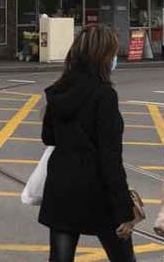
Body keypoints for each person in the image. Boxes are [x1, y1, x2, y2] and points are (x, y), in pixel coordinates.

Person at [39, 25, 136, 262]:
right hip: (98, 192)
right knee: (122, 257)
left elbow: (48, 137)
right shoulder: (104, 95)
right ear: (102, 57)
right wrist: (124, 209)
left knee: (60, 258)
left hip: (61, 186)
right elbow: (110, 158)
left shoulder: (58, 90)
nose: (115, 58)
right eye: (113, 53)